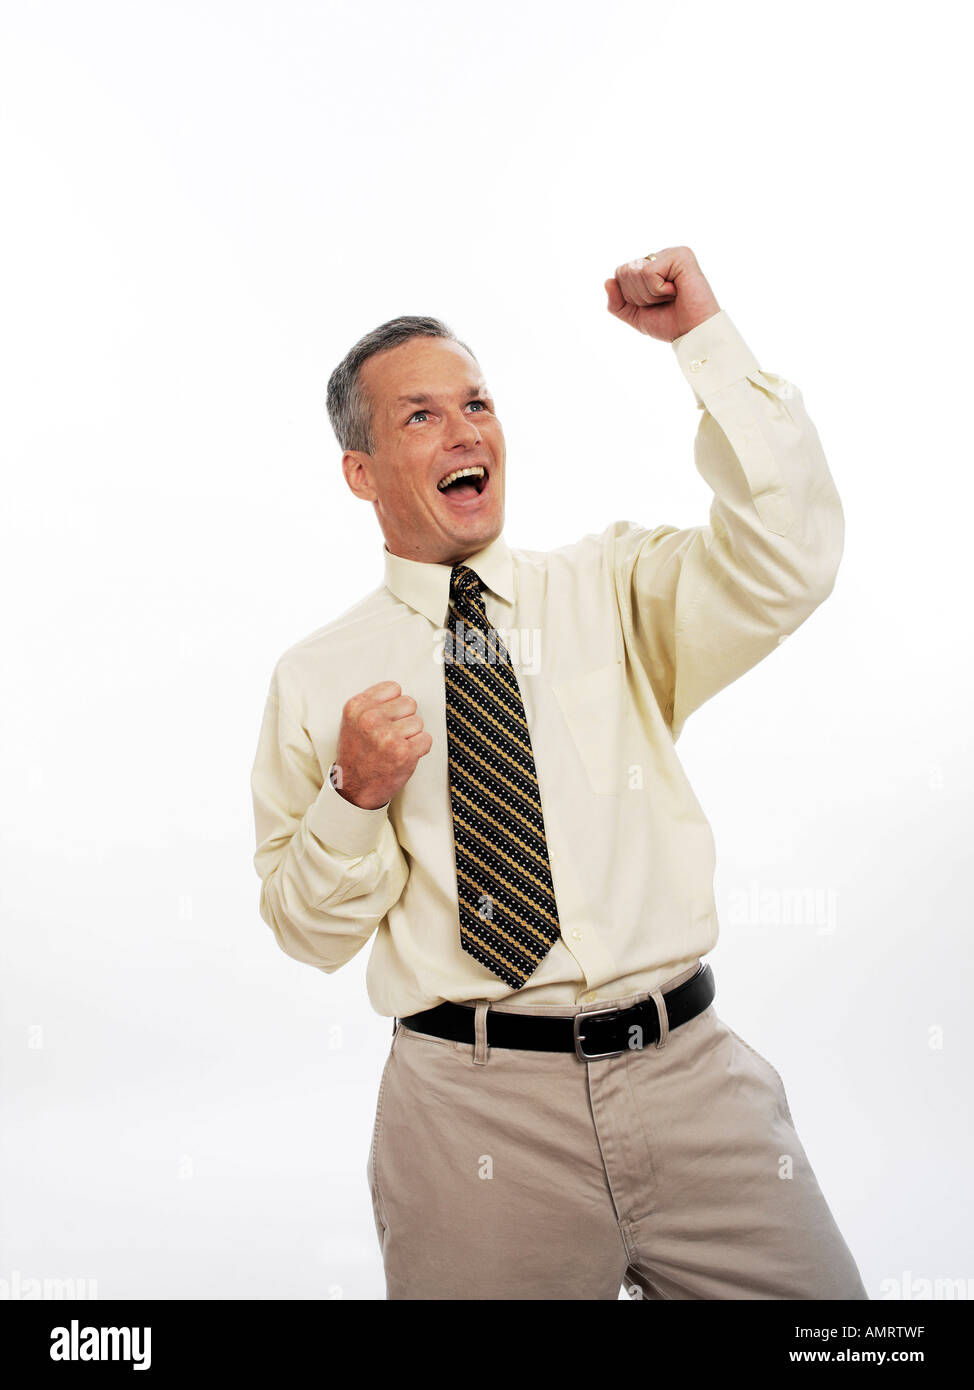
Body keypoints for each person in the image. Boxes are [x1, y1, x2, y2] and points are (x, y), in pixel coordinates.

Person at [250, 245, 869, 1301]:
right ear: (359, 472)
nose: (465, 432)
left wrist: (702, 346)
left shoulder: (614, 588)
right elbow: (307, 932)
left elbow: (788, 552)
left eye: (477, 403)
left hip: (691, 1083)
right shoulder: (316, 678)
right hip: (468, 1114)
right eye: (420, 416)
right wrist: (352, 799)